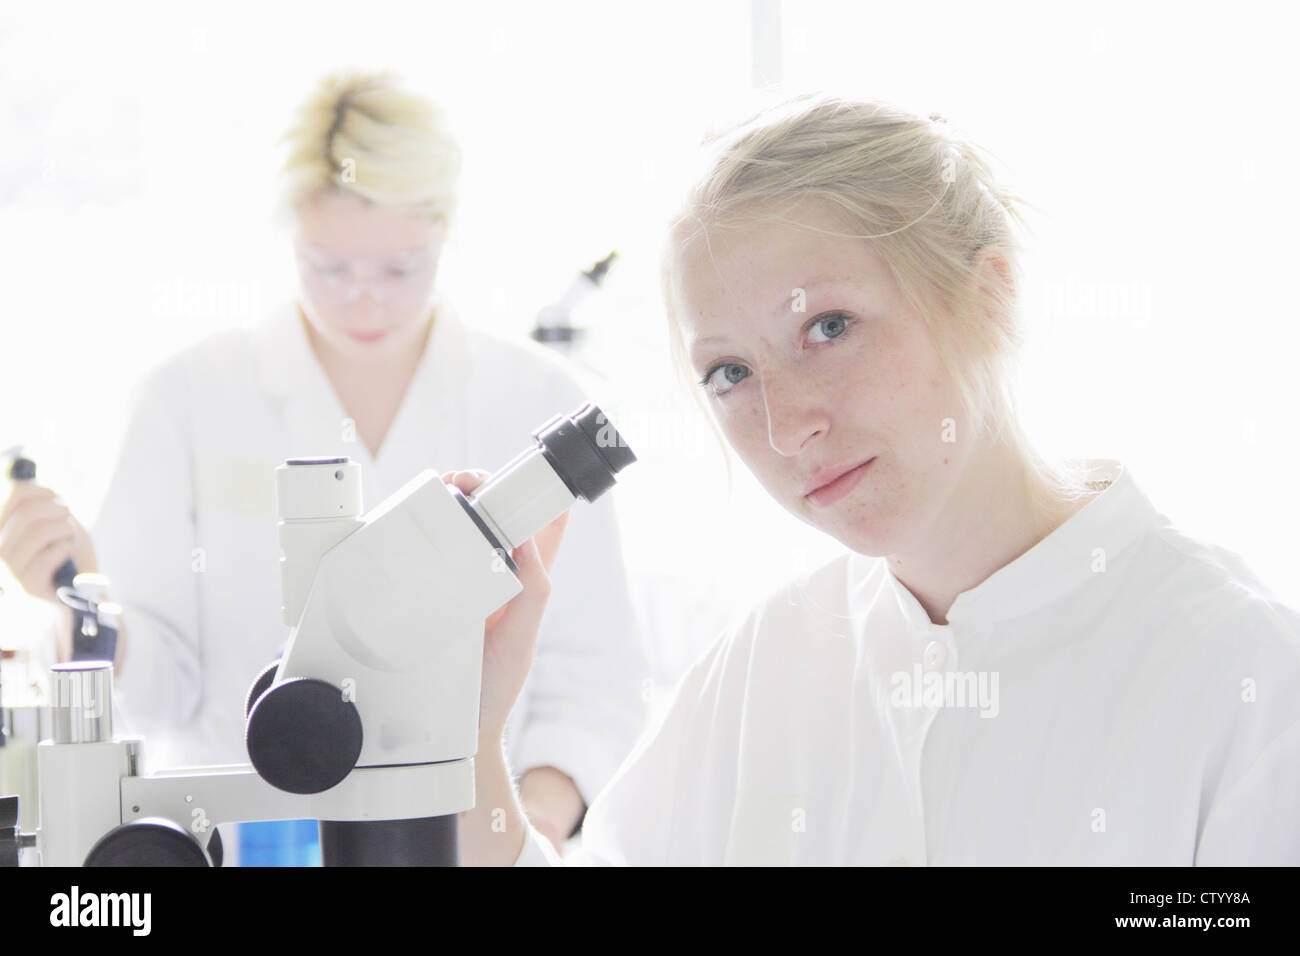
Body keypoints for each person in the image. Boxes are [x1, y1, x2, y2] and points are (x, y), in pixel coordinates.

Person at [452, 93, 1300, 865]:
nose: (787, 428)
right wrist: (475, 732)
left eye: (829, 326)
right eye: (730, 374)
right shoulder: (766, 665)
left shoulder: (1237, 672)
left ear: (990, 298)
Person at [0, 69, 649, 855]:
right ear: (291, 240)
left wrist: (518, 833)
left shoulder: (531, 394)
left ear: (446, 232)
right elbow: (158, 692)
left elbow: (593, 685)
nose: (363, 301)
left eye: (399, 268)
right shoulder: (188, 398)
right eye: (330, 268)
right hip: (246, 841)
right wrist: (83, 606)